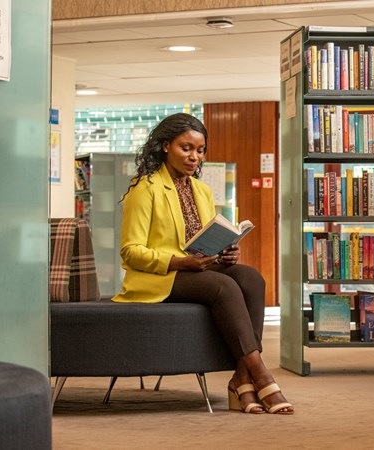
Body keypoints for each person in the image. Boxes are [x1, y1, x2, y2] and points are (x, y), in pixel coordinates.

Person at [113, 113, 293, 414]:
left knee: (251, 278)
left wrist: (225, 252)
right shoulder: (145, 188)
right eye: (186, 148)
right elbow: (130, 251)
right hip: (162, 275)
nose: (194, 157)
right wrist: (181, 262)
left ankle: (241, 377)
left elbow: (203, 238)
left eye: (200, 150)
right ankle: (260, 374)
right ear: (166, 146)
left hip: (199, 267)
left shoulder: (202, 190)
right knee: (222, 286)